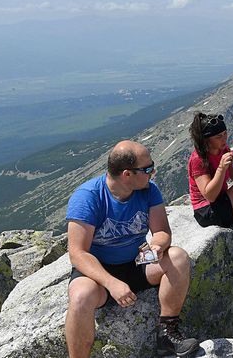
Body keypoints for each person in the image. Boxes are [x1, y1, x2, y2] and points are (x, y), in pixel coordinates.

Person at [65, 140, 199, 358]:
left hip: (137, 261)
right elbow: (77, 253)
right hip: (98, 272)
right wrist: (112, 283)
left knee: (178, 257)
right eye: (147, 169)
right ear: (127, 174)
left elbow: (162, 230)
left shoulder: (149, 190)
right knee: (81, 297)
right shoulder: (88, 197)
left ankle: (167, 334)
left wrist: (157, 245)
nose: (153, 172)